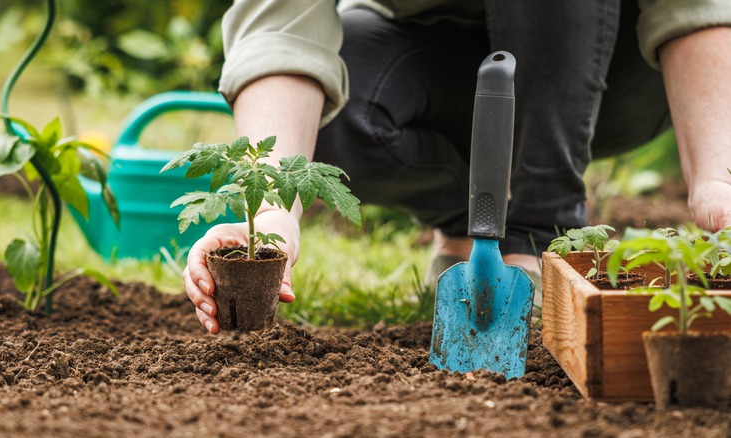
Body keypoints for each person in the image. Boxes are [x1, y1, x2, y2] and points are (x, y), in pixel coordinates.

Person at [184, 0, 731, 334]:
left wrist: (716, 177)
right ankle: (476, 231)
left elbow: (697, 7)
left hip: (616, 69)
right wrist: (277, 216)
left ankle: (537, 233)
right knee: (341, 111)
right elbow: (280, 28)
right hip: (435, 54)